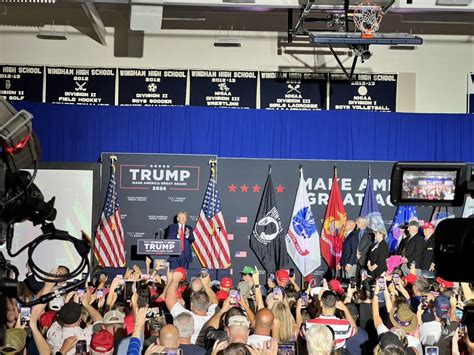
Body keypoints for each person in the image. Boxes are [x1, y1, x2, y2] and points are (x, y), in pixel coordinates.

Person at [165, 270, 218, 344]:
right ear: (208, 303)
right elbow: (215, 302)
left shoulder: (185, 317)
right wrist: (206, 285)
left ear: (191, 304)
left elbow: (169, 299)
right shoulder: (213, 317)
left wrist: (175, 280)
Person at [355, 216, 374, 281]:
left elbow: (369, 246)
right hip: (355, 259)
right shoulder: (355, 232)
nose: (356, 223)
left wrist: (360, 254)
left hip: (365, 259)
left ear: (364, 223)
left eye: (358, 221)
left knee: (365, 280)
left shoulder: (370, 232)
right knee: (355, 279)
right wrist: (356, 253)